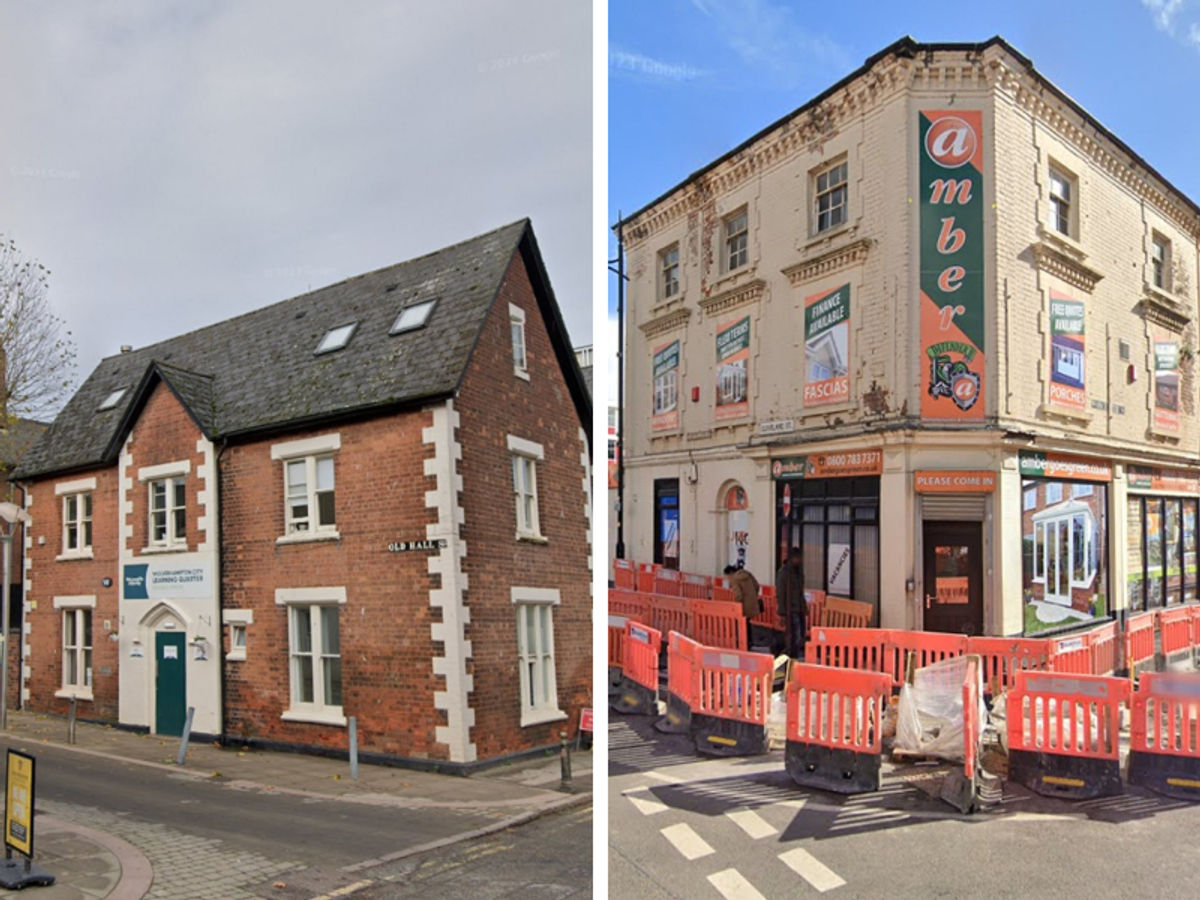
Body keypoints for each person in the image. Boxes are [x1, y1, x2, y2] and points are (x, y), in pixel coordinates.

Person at [775, 547, 807, 660]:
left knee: (798, 633)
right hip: (791, 608)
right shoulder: (784, 573)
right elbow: (781, 593)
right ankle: (792, 654)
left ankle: (794, 653)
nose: (799, 560)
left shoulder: (797, 572)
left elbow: (800, 591)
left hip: (798, 608)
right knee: (794, 633)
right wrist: (782, 612)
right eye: (797, 557)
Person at [724, 563, 760, 648]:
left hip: (743, 606)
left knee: (741, 625)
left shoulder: (735, 580)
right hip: (752, 604)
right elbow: (757, 586)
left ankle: (743, 642)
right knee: (748, 622)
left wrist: (736, 606)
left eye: (727, 577)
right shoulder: (748, 574)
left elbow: (738, 595)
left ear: (730, 573)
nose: (728, 579)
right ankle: (750, 641)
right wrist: (752, 596)